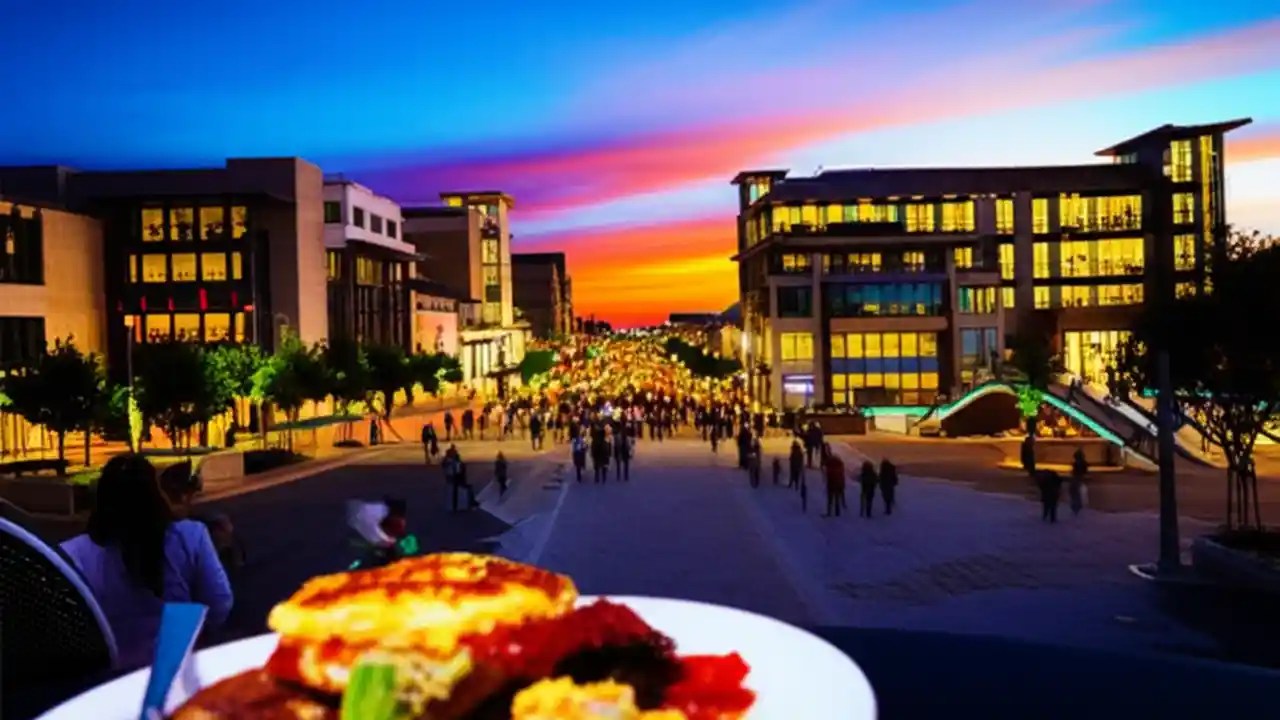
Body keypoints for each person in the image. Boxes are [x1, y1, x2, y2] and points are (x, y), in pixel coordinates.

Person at [60, 454, 233, 669]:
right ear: (156, 492)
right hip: (180, 668)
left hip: (110, 680)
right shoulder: (191, 537)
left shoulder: (73, 554)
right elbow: (219, 604)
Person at [822, 445, 845, 517]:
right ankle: (837, 512)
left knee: (830, 499)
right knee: (837, 498)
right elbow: (842, 476)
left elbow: (827, 474)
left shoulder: (830, 468)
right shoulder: (840, 467)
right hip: (838, 484)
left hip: (831, 484)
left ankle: (829, 512)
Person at [1070, 448, 1088, 517]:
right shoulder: (1083, 464)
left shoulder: (1077, 464)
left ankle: (1076, 506)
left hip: (1077, 480)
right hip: (1079, 480)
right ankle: (1078, 505)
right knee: (1079, 493)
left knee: (1076, 493)